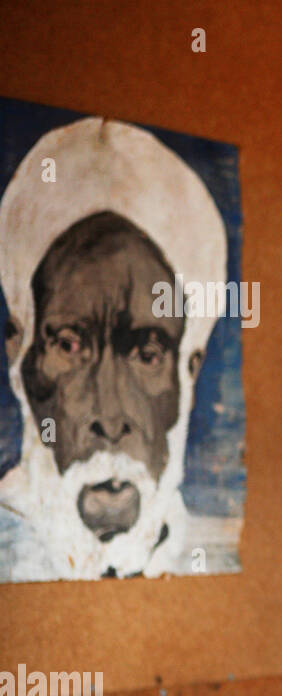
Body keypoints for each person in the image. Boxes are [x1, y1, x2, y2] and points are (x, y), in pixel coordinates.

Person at [0, 117, 231, 580]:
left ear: (188, 372)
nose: (109, 416)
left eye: (147, 355)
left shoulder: (211, 554)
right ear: (20, 358)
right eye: (68, 344)